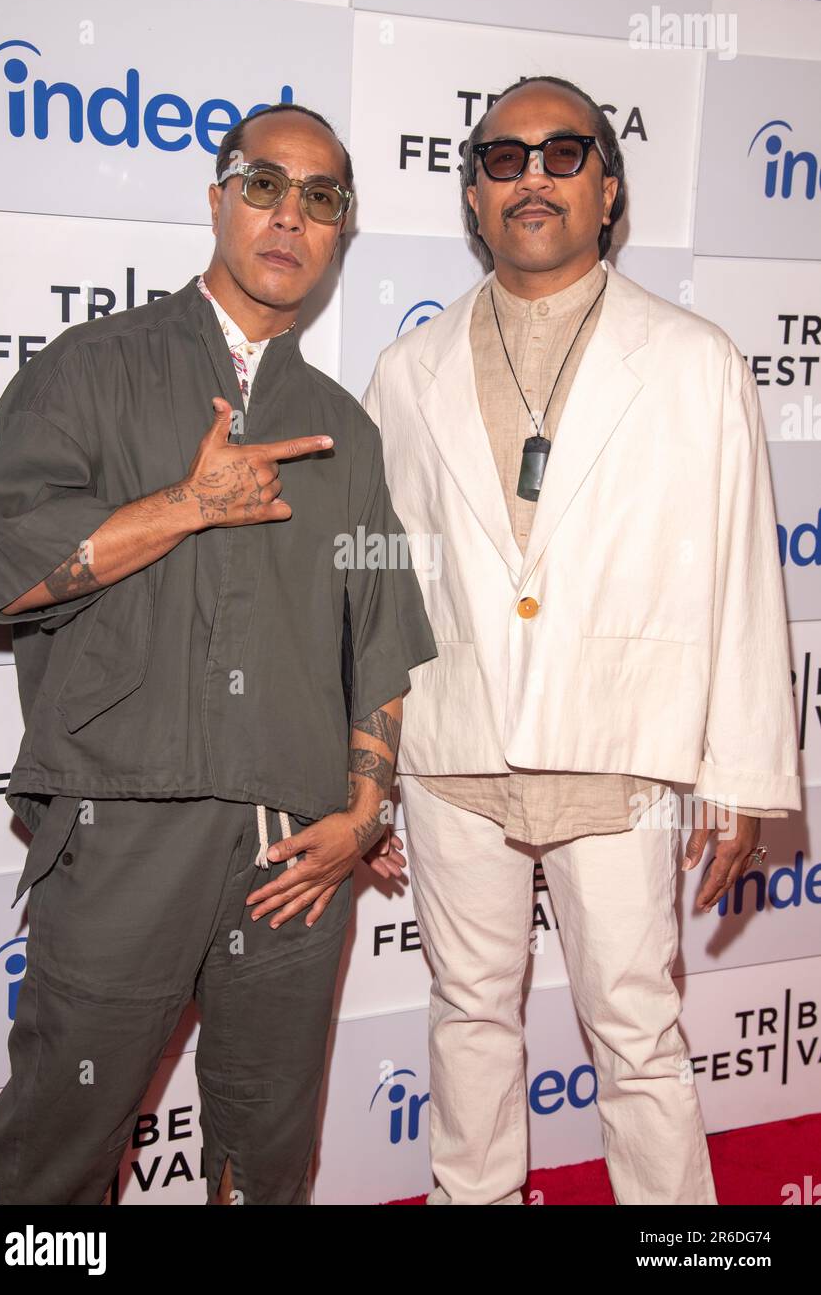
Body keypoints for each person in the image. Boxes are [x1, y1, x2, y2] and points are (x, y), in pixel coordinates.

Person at [0, 100, 437, 1205]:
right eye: (264, 183)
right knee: (55, 1154)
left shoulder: (341, 428)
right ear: (216, 197)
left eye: (322, 199)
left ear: (339, 233)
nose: (289, 216)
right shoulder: (90, 367)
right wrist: (183, 503)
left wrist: (362, 813)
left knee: (261, 1160)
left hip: (291, 861)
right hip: (125, 834)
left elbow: (379, 641)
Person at [362, 75, 801, 1206]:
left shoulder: (693, 357)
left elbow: (742, 576)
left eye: (564, 155)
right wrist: (360, 761)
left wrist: (742, 772)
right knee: (467, 1016)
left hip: (620, 749)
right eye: (502, 161)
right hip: (455, 744)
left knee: (636, 1031)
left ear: (608, 191)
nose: (533, 179)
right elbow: (373, 584)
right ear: (472, 198)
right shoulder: (406, 372)